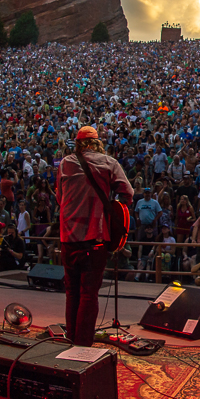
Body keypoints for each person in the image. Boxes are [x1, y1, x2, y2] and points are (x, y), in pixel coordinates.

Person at [58, 126, 134, 346]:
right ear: (96, 143)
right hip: (95, 236)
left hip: (68, 237)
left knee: (71, 291)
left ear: (79, 144)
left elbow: (60, 198)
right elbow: (127, 194)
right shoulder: (108, 163)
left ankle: (71, 336)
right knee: (89, 293)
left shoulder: (65, 163)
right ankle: (82, 343)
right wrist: (111, 207)